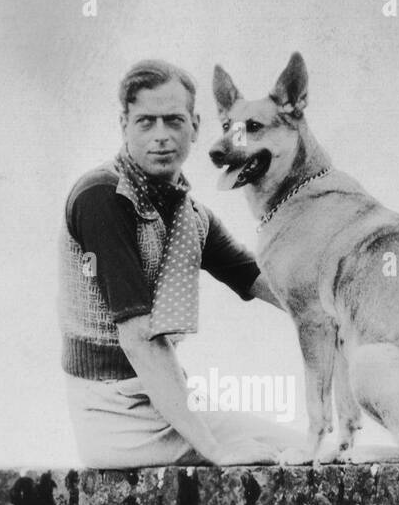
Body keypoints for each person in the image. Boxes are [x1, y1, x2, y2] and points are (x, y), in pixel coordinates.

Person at [58, 58, 305, 467]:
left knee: (307, 451)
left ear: (195, 125)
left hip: (166, 400)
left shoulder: (190, 216)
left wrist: (381, 247)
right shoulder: (101, 196)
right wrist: (217, 451)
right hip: (113, 416)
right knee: (293, 460)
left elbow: (272, 282)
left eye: (173, 121)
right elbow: (139, 339)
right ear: (123, 124)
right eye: (145, 122)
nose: (161, 137)